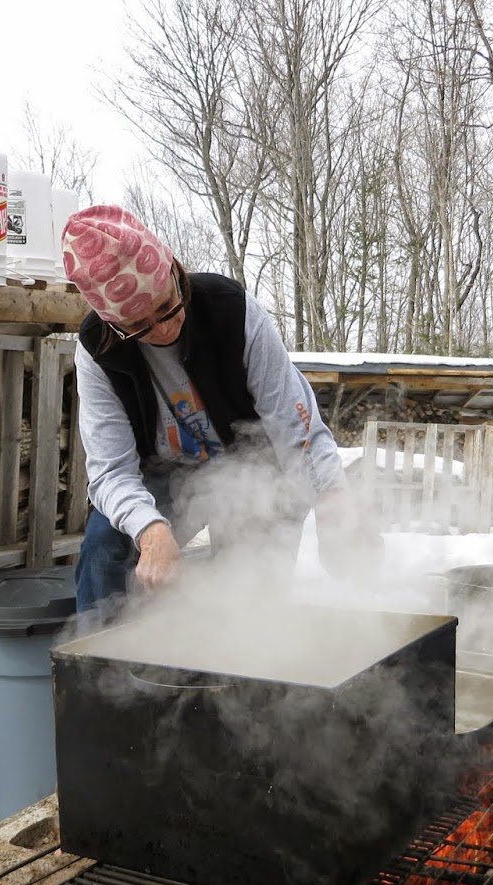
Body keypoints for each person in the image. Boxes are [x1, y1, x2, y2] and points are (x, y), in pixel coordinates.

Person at [62, 205, 373, 611]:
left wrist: (334, 504)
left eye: (167, 306)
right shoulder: (96, 350)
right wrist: (150, 530)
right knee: (105, 551)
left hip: (250, 467)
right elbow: (110, 472)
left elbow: (295, 425)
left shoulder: (232, 310)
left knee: (250, 594)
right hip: (161, 474)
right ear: (113, 325)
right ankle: (95, 650)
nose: (163, 329)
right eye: (139, 326)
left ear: (174, 271)